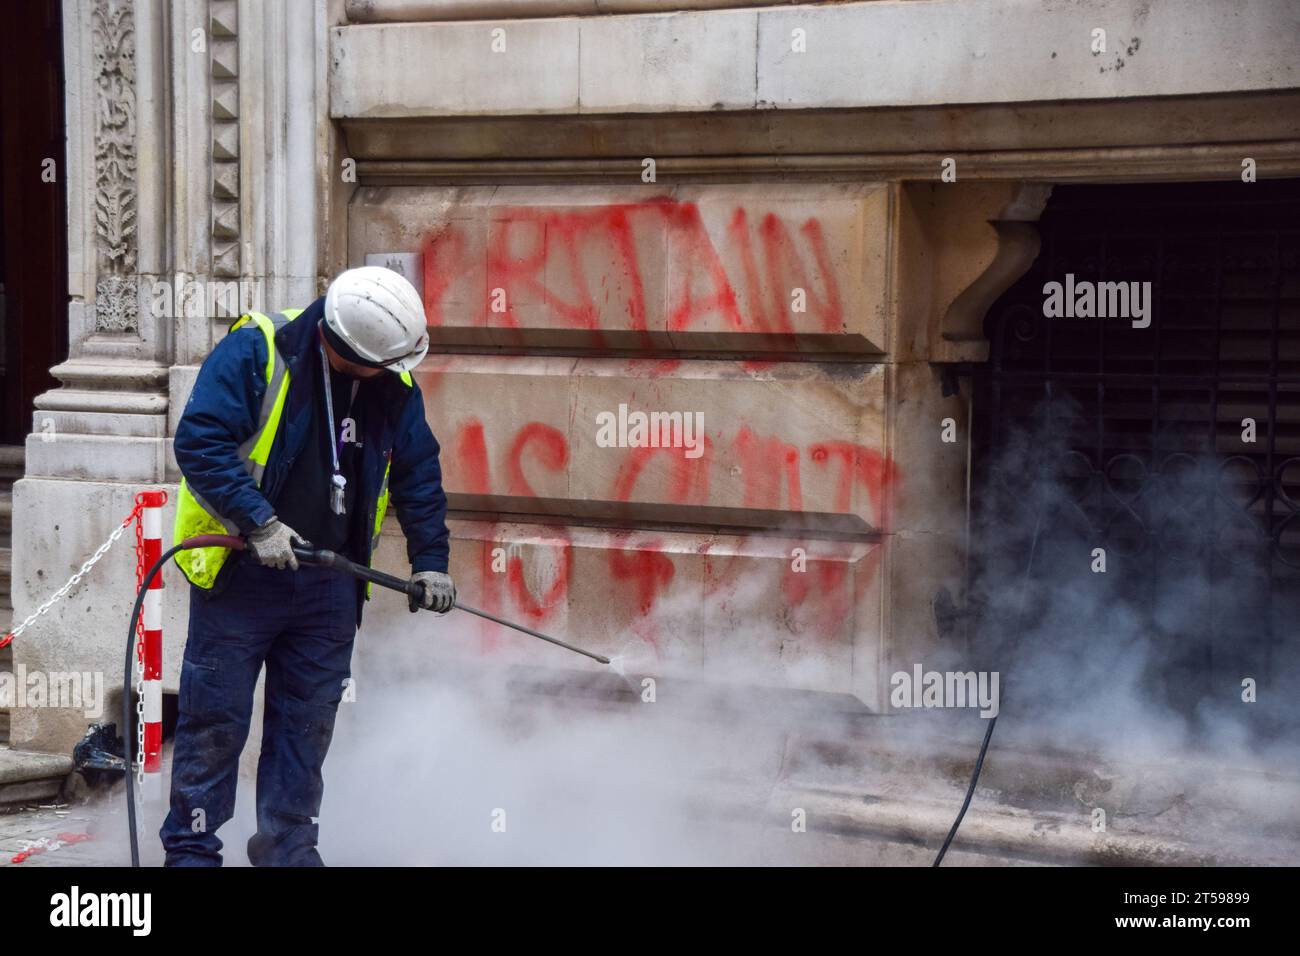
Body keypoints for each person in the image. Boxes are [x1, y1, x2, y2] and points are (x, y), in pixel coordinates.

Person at [161, 266, 454, 866]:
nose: (395, 371)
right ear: (343, 348)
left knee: (305, 729)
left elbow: (418, 473)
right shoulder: (259, 350)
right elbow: (199, 442)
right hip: (242, 577)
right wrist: (259, 521)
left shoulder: (391, 383)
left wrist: (431, 561)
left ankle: (288, 850)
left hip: (330, 585)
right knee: (215, 725)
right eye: (383, 362)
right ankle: (192, 852)